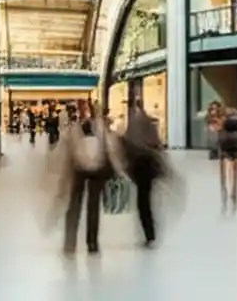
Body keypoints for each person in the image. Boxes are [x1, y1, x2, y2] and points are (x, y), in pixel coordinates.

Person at [58, 100, 121, 255]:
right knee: (78, 205)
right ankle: (76, 242)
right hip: (82, 168)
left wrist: (117, 167)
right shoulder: (79, 127)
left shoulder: (95, 127)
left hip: (93, 169)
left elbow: (109, 147)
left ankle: (85, 242)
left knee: (88, 206)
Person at [122, 100, 165, 247]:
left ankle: (149, 234)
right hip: (149, 168)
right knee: (145, 201)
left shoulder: (134, 125)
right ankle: (150, 234)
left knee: (142, 203)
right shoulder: (149, 125)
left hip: (140, 167)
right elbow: (157, 145)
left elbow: (129, 145)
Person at [220, 104, 237, 210]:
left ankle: (224, 187)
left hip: (226, 146)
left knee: (224, 171)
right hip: (236, 146)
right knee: (235, 171)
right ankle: (234, 190)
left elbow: (222, 132)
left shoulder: (225, 121)